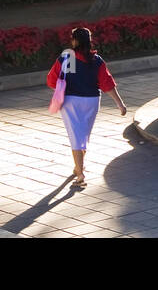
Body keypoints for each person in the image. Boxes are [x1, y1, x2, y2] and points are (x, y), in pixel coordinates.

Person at [45, 28, 126, 189]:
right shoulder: (96, 60)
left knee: (76, 136)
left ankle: (80, 174)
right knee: (83, 136)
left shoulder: (66, 58)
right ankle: (78, 167)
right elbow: (107, 83)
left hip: (70, 101)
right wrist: (120, 103)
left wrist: (62, 87)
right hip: (92, 101)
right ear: (89, 41)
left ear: (74, 41)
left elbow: (51, 80)